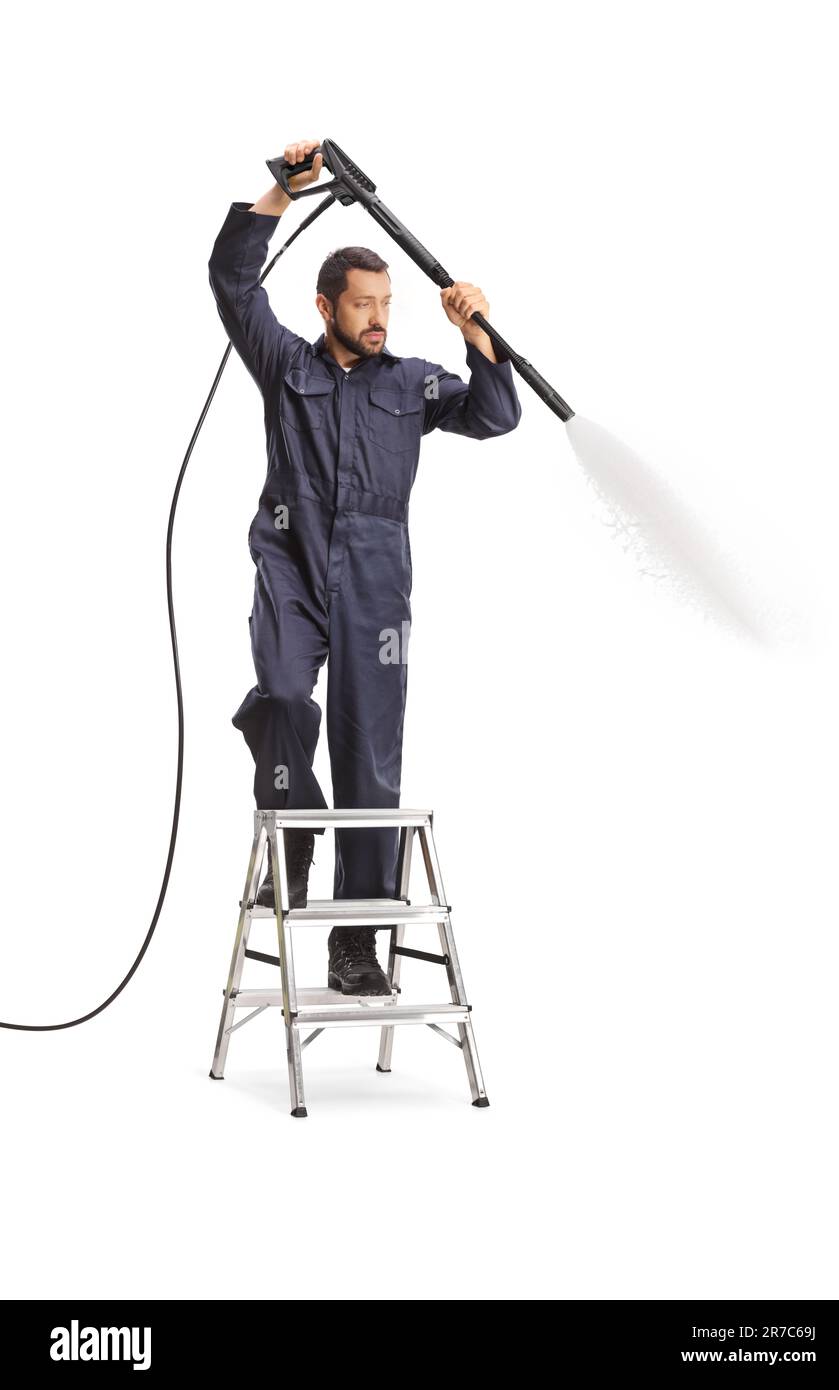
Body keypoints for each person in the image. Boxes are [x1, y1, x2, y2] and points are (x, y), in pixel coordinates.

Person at [207, 138, 522, 995]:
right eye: (363, 304)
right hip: (292, 558)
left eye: (387, 302)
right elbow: (233, 282)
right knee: (279, 694)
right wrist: (280, 189)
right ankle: (294, 823)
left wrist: (476, 333)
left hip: (378, 580)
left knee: (370, 762)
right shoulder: (285, 366)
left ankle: (356, 945)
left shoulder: (413, 383)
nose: (379, 316)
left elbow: (496, 417)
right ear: (325, 307)